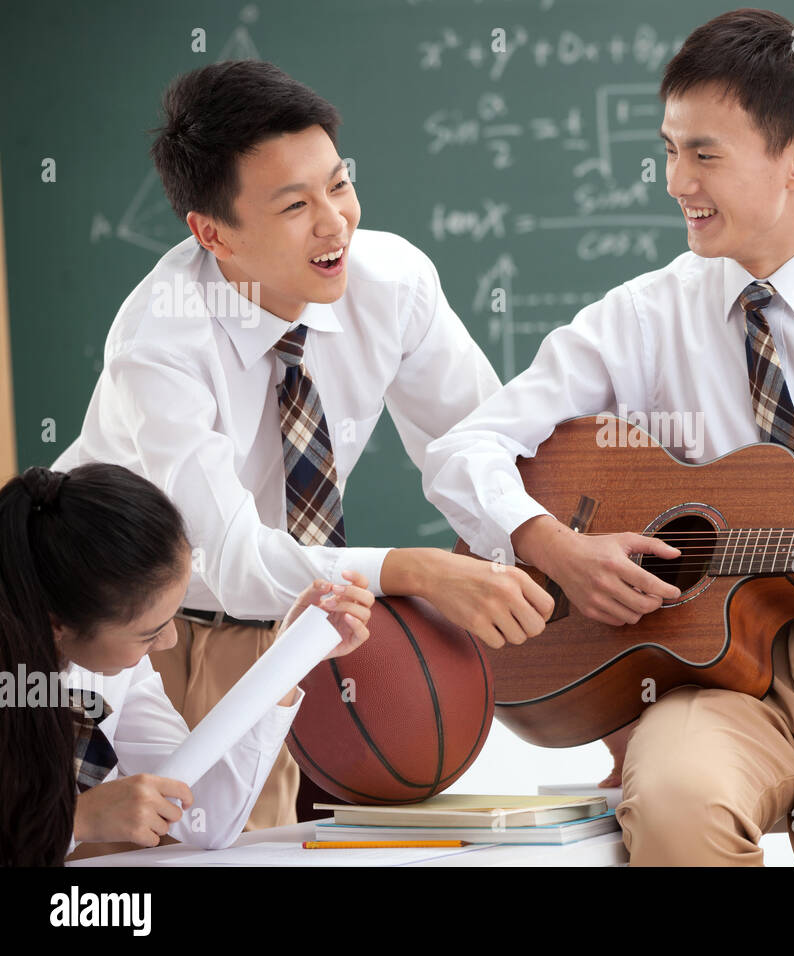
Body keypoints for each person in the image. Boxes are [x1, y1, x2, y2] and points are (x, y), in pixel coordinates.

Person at [424, 8, 794, 866]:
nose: (676, 180)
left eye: (704, 153)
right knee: (674, 809)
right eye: (670, 149)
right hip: (697, 667)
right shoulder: (642, 315)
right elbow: (463, 451)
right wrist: (551, 545)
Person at [51, 60, 552, 828]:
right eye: (295, 205)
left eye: (339, 184)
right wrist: (418, 571)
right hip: (164, 634)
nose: (335, 223)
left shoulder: (394, 282)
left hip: (320, 620)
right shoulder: (161, 342)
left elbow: (475, 446)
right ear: (211, 233)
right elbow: (231, 562)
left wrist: (543, 544)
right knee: (201, 842)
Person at [0, 463, 374, 866]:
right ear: (59, 625)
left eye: (171, 618)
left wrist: (290, 658)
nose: (170, 640)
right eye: (149, 632)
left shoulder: (113, 670)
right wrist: (79, 821)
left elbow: (205, 817)